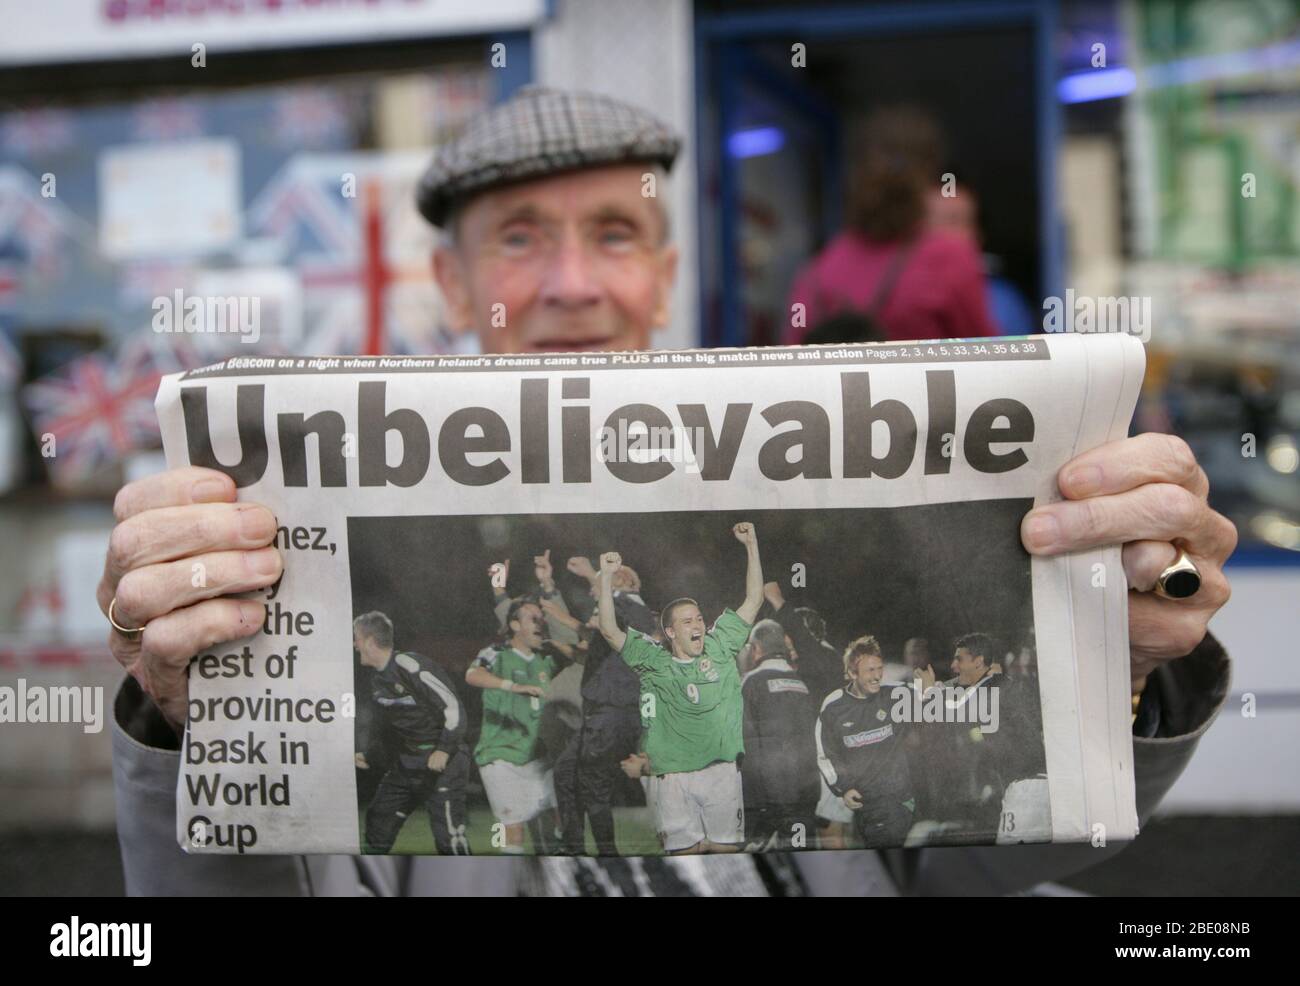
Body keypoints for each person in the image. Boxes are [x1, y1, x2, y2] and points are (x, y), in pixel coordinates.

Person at [104, 85, 1236, 896]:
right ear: (449, 280)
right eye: (517, 238)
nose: (572, 283)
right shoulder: (312, 533)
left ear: (667, 270)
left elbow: (972, 856)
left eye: (614, 232)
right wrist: (180, 718)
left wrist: (1125, 662)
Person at [595, 522, 763, 854]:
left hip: (721, 772)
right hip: (672, 778)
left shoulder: (720, 645)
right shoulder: (654, 661)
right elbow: (609, 630)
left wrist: (752, 545)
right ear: (671, 633)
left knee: (726, 858)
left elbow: (754, 599)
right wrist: (604, 577)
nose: (697, 625)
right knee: (685, 859)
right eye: (687, 622)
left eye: (699, 618)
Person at [783, 106, 999, 344]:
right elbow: (988, 360)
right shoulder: (950, 257)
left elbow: (792, 359)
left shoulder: (817, 270)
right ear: (929, 175)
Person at [353, 612, 469, 856]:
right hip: (408, 763)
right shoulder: (376, 680)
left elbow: (453, 707)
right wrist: (371, 756)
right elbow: (389, 730)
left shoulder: (409, 665)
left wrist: (443, 749)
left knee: (449, 837)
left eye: (357, 639)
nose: (354, 645)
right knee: (377, 821)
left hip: (445, 763)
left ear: (371, 642)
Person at [464, 599, 557, 854]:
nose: (540, 622)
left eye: (541, 617)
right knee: (513, 830)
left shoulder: (547, 658)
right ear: (515, 625)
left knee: (555, 823)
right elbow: (472, 675)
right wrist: (513, 686)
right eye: (532, 618)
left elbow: (581, 651)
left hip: (538, 757)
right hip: (501, 755)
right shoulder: (497, 653)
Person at [816, 636, 917, 849]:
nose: (877, 676)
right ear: (852, 673)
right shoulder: (833, 707)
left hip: (898, 800)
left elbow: (934, 694)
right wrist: (842, 788)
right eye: (870, 671)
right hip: (864, 804)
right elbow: (826, 754)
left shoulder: (894, 694)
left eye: (879, 668)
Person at [739, 619, 820, 850]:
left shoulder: (751, 684)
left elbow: (747, 745)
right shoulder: (802, 685)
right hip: (805, 796)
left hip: (768, 801)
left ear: (756, 649)